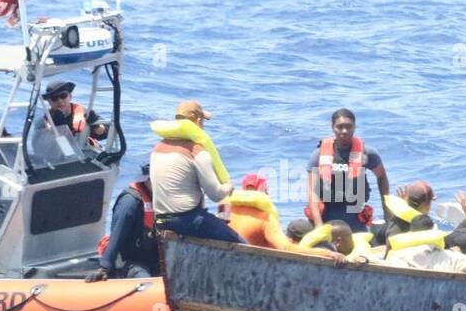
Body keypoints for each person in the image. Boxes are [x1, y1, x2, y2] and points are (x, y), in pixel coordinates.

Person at [150, 100, 244, 243]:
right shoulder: (196, 151)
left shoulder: (158, 148)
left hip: (160, 220)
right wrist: (229, 186)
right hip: (187, 219)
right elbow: (216, 195)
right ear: (199, 121)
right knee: (239, 242)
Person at [305, 108, 389, 233]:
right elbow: (312, 192)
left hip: (354, 214)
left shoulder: (368, 153)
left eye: (349, 127)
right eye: (340, 127)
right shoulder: (318, 155)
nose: (344, 131)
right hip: (327, 213)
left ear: (354, 127)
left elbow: (381, 178)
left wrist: (386, 210)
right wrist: (318, 225)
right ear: (332, 127)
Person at [90, 165, 158, 281]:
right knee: (143, 277)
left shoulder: (165, 200)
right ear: (148, 179)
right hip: (132, 263)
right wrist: (104, 267)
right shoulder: (130, 202)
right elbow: (117, 235)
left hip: (157, 260)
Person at [225, 174, 320, 252]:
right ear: (265, 192)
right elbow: (286, 248)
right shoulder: (265, 218)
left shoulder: (226, 212)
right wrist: (324, 253)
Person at [42, 79, 107, 148]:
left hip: (84, 153)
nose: (59, 101)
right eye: (54, 98)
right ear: (49, 101)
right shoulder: (45, 120)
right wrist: (58, 128)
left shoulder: (84, 113)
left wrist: (95, 125)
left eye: (63, 96)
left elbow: (104, 133)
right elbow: (38, 146)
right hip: (58, 155)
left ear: (70, 97)